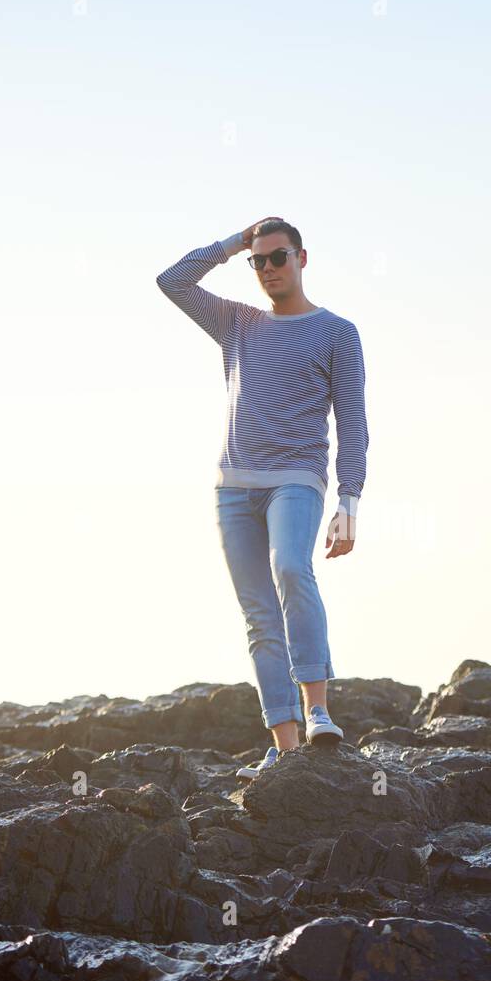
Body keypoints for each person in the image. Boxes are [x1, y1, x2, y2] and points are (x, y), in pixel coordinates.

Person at [156, 217, 368, 777]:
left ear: (303, 258)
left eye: (279, 257)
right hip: (233, 489)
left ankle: (317, 709)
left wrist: (350, 502)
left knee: (292, 570)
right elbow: (172, 280)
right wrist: (232, 243)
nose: (269, 268)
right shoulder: (236, 322)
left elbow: (353, 422)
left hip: (296, 480)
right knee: (258, 616)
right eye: (260, 261)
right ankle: (287, 748)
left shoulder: (337, 333)